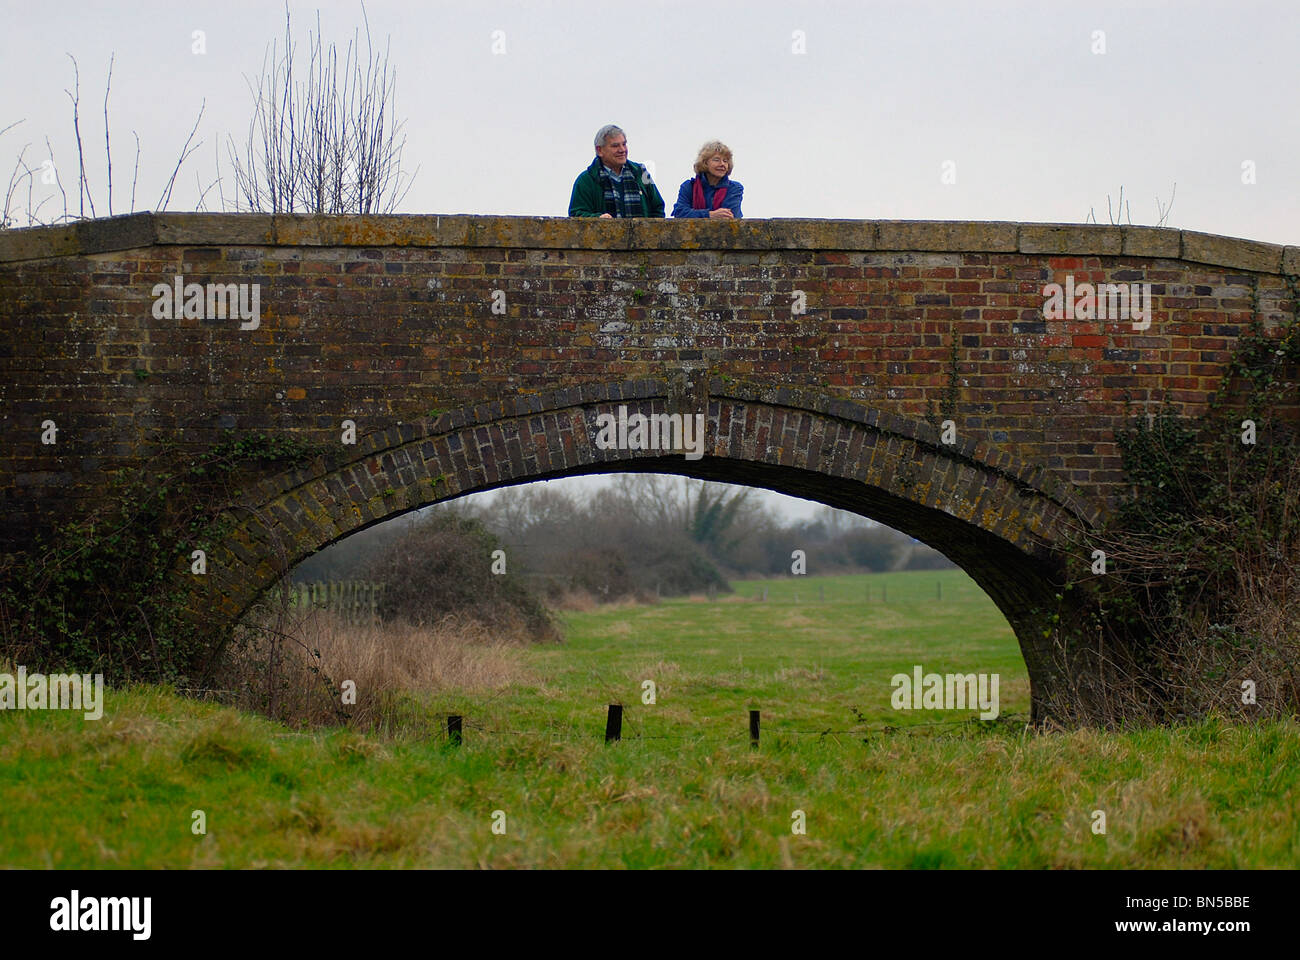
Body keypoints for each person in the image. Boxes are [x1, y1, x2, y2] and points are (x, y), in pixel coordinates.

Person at [568, 124, 665, 218]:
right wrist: (598, 219)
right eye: (615, 146)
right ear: (599, 150)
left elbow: (658, 207)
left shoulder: (642, 173)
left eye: (624, 144)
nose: (622, 150)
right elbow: (576, 214)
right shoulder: (586, 180)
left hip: (641, 234)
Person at [671, 141, 743, 219]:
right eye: (716, 160)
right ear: (705, 163)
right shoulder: (689, 186)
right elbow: (679, 213)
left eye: (725, 161)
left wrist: (696, 214)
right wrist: (709, 215)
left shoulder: (734, 188)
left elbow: (729, 216)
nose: (722, 164)